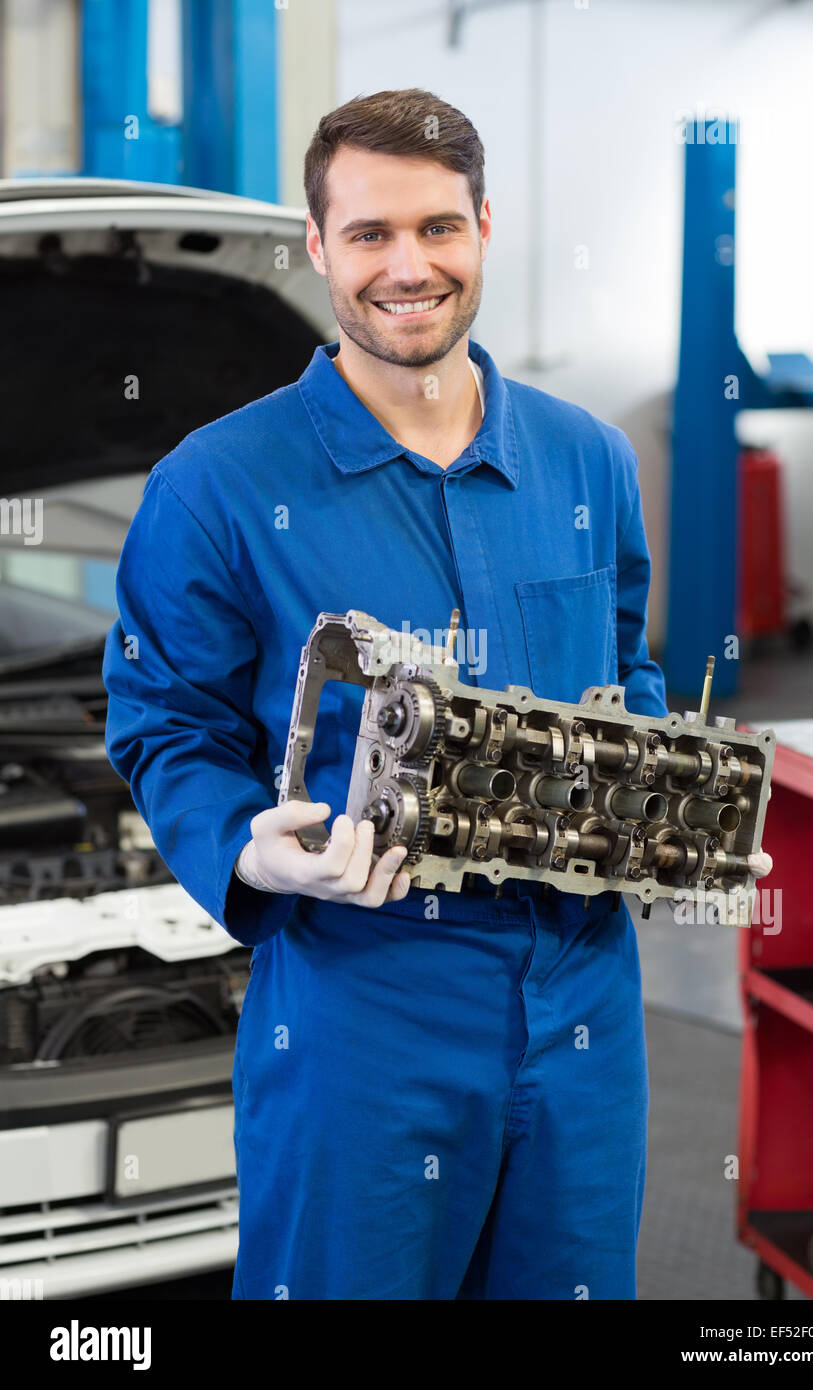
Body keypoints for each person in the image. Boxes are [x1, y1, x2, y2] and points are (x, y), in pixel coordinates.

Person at [103, 88, 772, 1300]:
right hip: (363, 999)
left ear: (483, 228)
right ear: (318, 246)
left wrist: (674, 813)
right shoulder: (218, 485)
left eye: (436, 228)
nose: (407, 267)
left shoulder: (585, 459)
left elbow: (625, 669)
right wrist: (246, 847)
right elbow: (166, 724)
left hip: (580, 1004)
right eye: (368, 233)